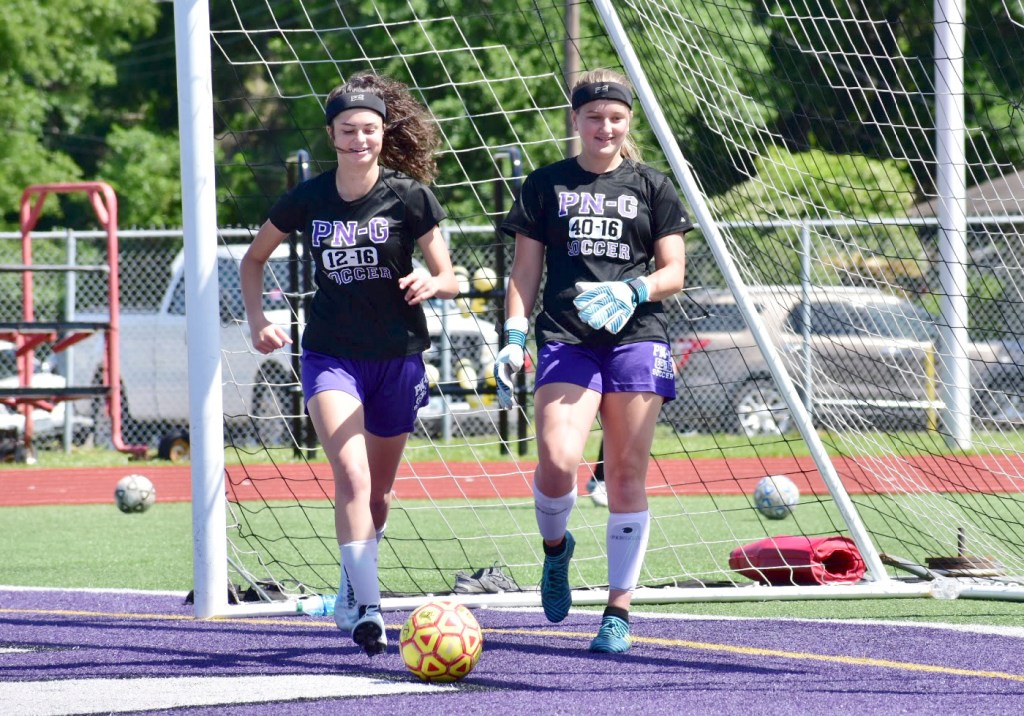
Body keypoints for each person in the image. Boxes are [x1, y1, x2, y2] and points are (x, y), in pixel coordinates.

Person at [241, 72, 458, 657]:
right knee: (353, 479)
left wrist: (431, 281)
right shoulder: (308, 197)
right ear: (332, 136)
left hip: (398, 359)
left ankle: (348, 588)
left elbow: (451, 275)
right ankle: (368, 610)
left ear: (383, 133)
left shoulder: (410, 196)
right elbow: (253, 259)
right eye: (347, 130)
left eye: (368, 129)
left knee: (379, 495)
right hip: (332, 355)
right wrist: (259, 319)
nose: (359, 139)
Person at [495, 68, 690, 653]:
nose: (605, 126)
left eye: (616, 118)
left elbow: (674, 273)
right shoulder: (545, 184)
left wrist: (634, 290)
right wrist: (511, 335)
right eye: (594, 116)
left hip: (637, 335)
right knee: (557, 460)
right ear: (575, 120)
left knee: (626, 473)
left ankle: (617, 612)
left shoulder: (652, 186)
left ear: (627, 122)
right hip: (566, 336)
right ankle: (557, 553)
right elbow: (525, 271)